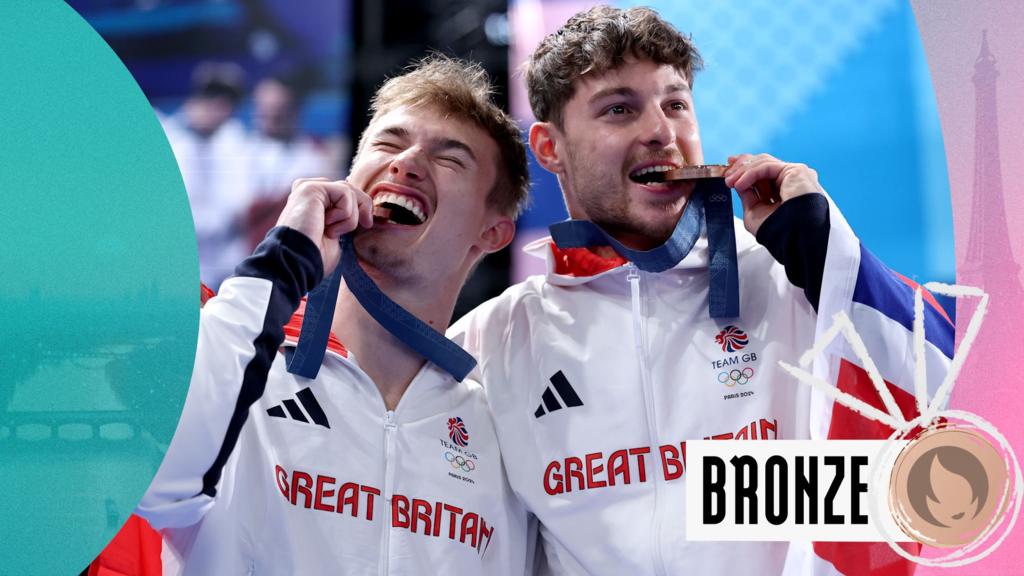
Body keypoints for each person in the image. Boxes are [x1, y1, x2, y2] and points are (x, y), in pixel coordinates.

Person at [450, 6, 954, 576]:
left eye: (676, 104)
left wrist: (830, 259)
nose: (662, 132)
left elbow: (957, 418)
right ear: (549, 147)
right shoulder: (491, 345)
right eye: (619, 109)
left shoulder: (795, 283)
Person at [137, 55, 533, 575]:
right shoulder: (239, 367)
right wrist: (282, 264)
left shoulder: (501, 435)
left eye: (450, 159)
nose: (407, 163)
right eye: (388, 144)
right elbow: (156, 477)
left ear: (492, 233)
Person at [161, 62, 252, 291]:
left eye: (227, 102)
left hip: (225, 268)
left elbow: (238, 206)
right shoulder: (167, 137)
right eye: (211, 98)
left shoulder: (237, 142)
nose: (218, 108)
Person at [245, 73, 337, 250]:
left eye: (278, 110)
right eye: (264, 110)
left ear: (295, 110)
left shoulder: (314, 156)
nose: (270, 117)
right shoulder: (236, 148)